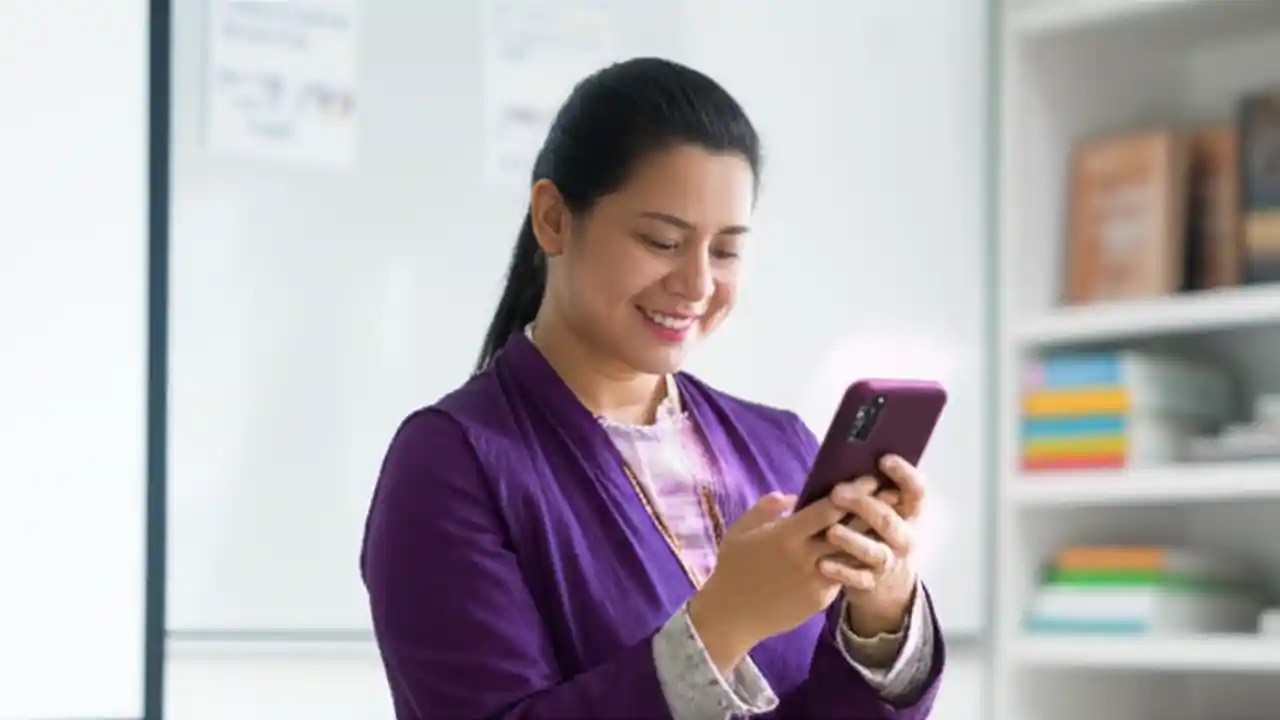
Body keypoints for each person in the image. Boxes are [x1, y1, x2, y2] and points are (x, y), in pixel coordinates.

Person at [360, 57, 944, 719]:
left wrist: (882, 613)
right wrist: (722, 625)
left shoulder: (780, 445)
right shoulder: (452, 463)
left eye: (725, 250)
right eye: (661, 240)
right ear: (553, 218)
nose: (697, 284)